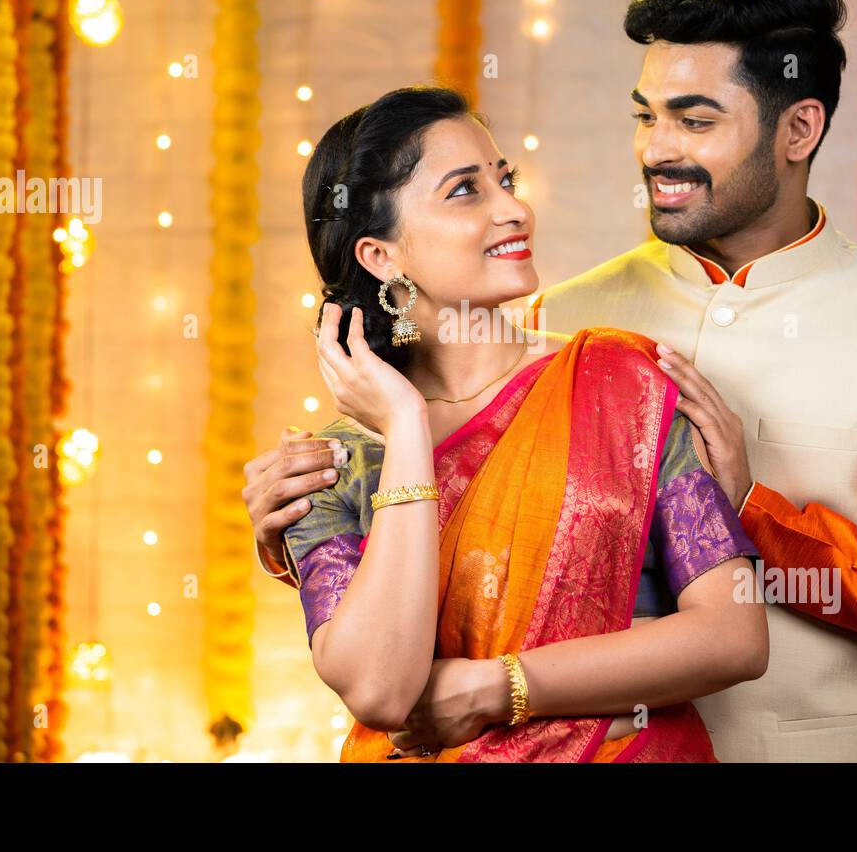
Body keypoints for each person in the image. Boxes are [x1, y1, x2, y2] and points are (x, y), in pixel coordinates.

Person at [249, 0, 857, 762]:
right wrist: (307, 524)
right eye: (645, 116)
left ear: (799, 127)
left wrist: (759, 515)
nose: (657, 150)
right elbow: (483, 537)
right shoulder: (559, 319)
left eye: (695, 121)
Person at [245, 85, 767, 762]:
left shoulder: (623, 381)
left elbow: (733, 635)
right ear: (382, 256)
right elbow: (380, 691)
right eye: (466, 191)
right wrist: (404, 427)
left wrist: (502, 687)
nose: (514, 209)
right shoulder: (330, 465)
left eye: (505, 180)